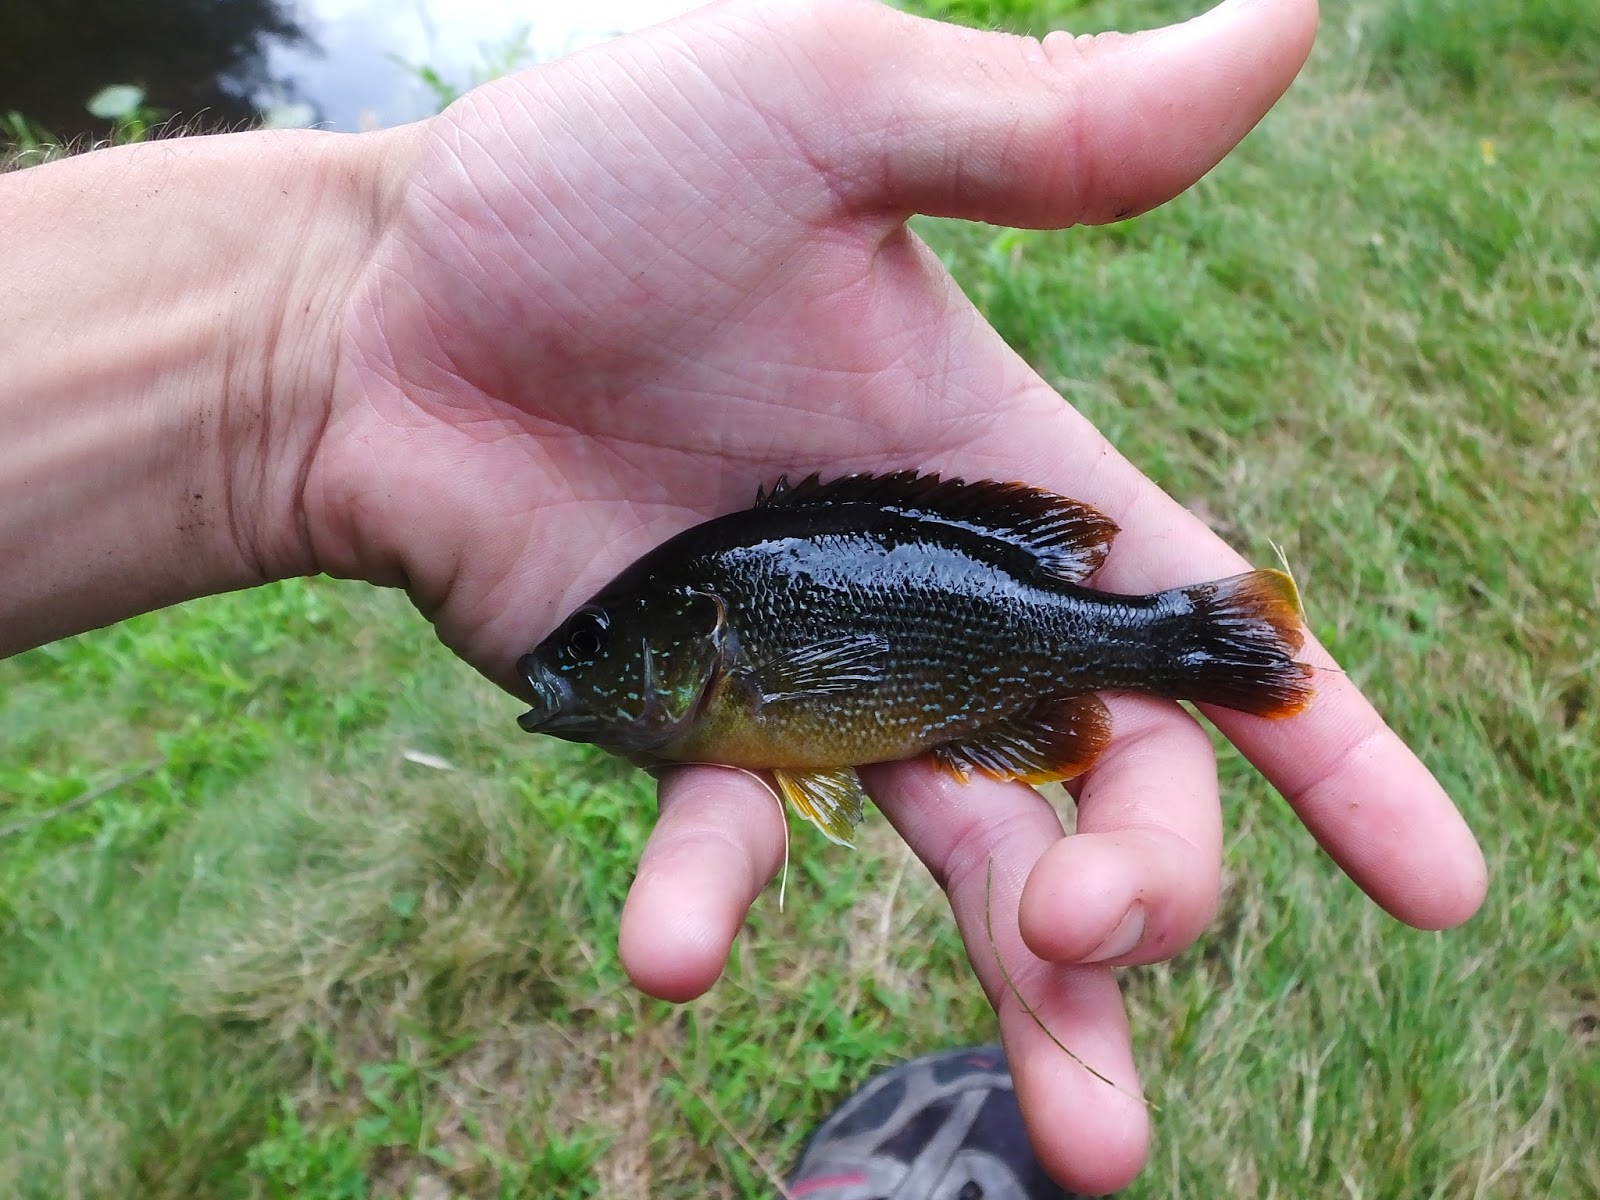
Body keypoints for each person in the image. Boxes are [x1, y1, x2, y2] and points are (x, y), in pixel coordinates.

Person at [0, 0, 1485, 1194]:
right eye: (581, 653)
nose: (560, 674)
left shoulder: (737, 663)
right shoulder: (716, 655)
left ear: (693, 656)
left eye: (594, 652)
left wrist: (310, 338)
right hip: (1005, 638)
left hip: (1034, 627)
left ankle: (1197, 644)